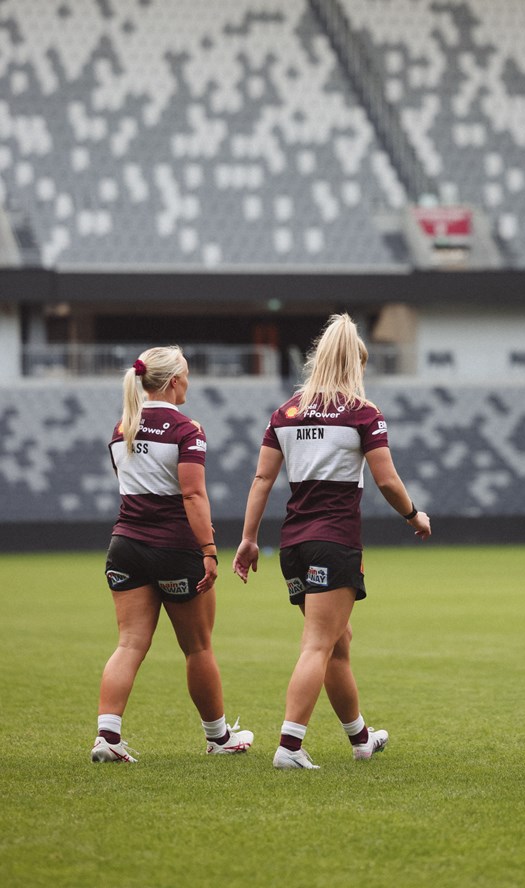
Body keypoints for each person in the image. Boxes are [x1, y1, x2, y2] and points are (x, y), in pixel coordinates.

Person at [232, 313, 431, 770]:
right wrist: (413, 515)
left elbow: (262, 479)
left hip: (294, 545)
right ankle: (290, 746)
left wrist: (247, 539)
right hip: (334, 542)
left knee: (338, 641)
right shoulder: (363, 413)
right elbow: (387, 479)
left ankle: (361, 739)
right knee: (318, 644)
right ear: (354, 365)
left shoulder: (285, 412)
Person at [91, 347, 253, 762]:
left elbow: (128, 485)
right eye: (188, 375)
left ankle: (107, 738)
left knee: (128, 644)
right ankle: (219, 739)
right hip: (175, 549)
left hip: (125, 546)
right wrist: (210, 551)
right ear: (175, 381)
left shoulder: (120, 426)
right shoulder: (187, 429)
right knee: (197, 648)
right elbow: (193, 494)